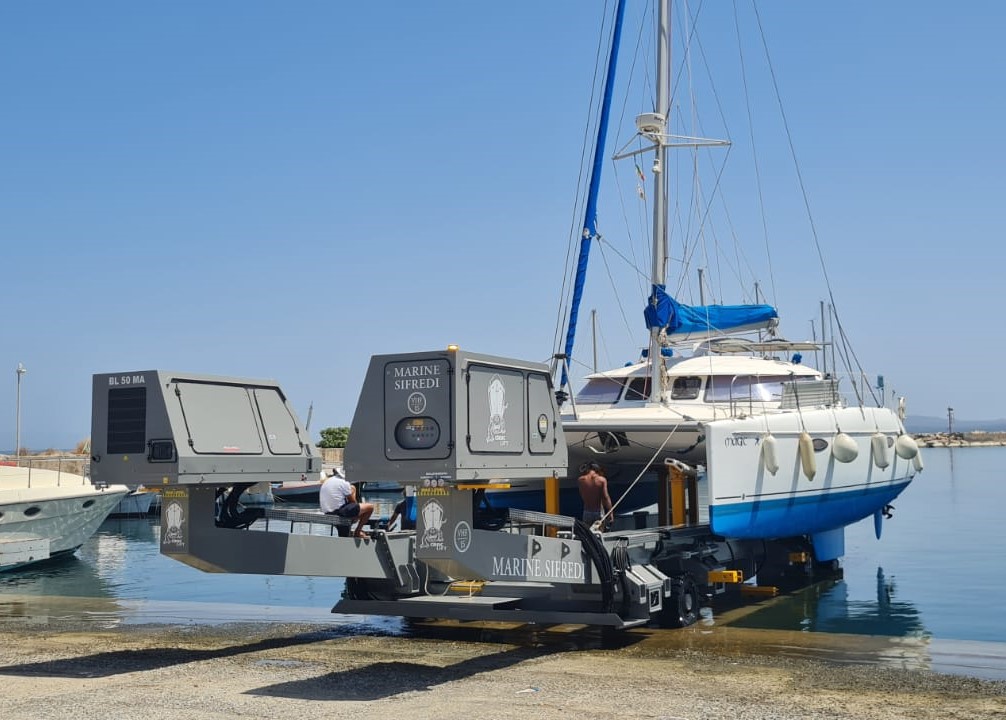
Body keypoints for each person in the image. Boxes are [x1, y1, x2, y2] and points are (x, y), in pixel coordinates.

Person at [319, 470, 374, 538]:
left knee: (352, 489)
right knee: (370, 507)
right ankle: (358, 532)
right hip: (339, 512)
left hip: (327, 512)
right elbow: (352, 502)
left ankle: (347, 533)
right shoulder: (344, 482)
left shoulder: (328, 480)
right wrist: (358, 515)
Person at [577, 461, 612, 530]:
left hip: (586, 512)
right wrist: (610, 513)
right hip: (598, 512)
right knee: (599, 533)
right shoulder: (601, 480)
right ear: (598, 470)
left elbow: (582, 494)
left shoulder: (580, 480)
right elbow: (605, 497)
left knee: (588, 534)